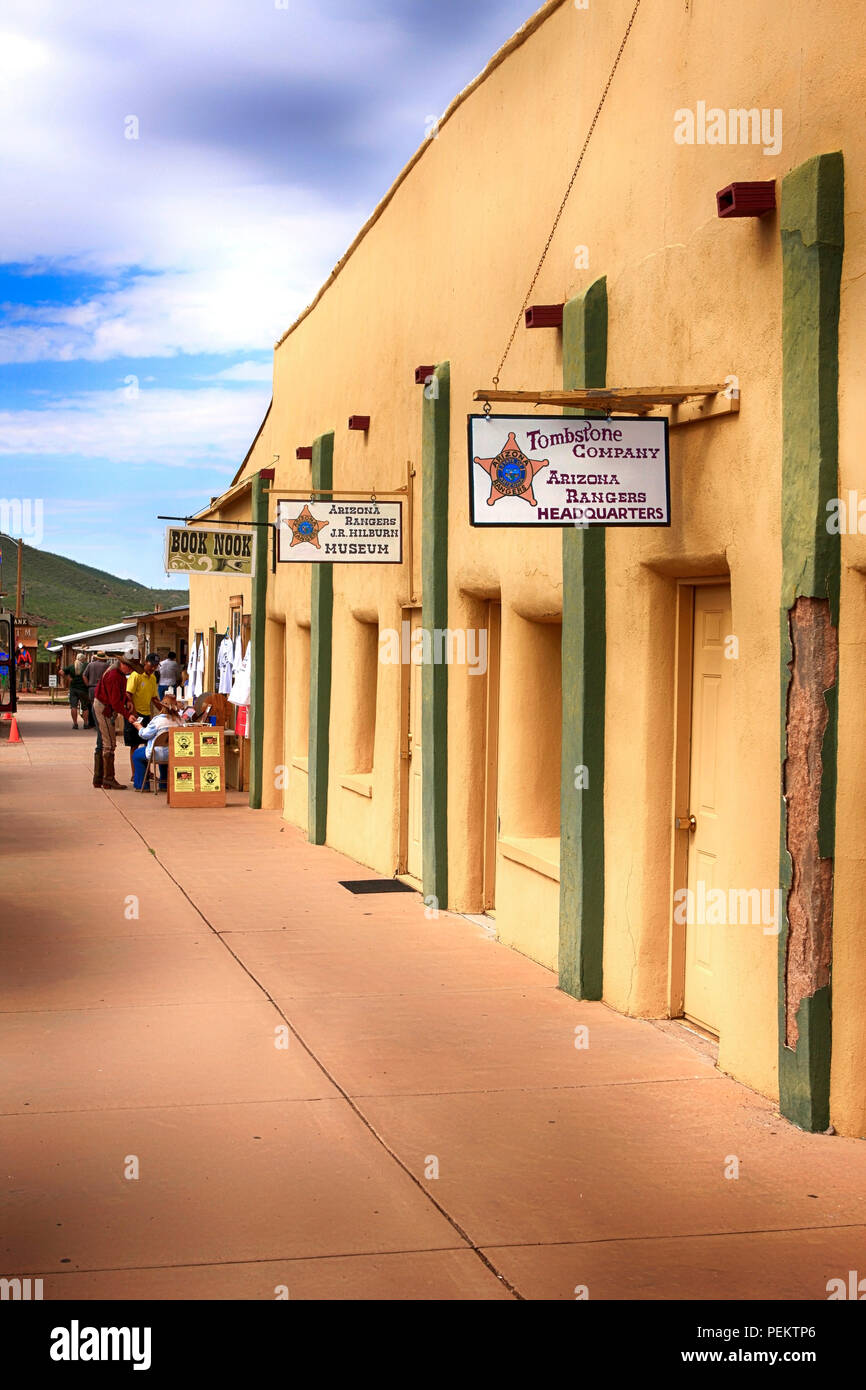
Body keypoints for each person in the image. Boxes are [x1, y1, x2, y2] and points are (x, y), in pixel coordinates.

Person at [91, 655, 140, 790]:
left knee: (102, 743)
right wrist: (128, 715)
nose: (131, 670)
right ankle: (108, 779)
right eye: (130, 667)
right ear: (123, 664)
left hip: (104, 706)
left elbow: (120, 694)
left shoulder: (119, 674)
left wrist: (127, 701)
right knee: (109, 744)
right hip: (104, 707)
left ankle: (99, 778)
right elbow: (115, 702)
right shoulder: (114, 675)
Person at [130, 694, 183, 791]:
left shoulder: (158, 721)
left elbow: (145, 734)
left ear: (163, 706)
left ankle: (142, 785)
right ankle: (164, 784)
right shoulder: (180, 721)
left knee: (137, 754)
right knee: (165, 750)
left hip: (156, 754)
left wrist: (139, 727)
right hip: (173, 753)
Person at [123, 653, 160, 781]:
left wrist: (164, 711)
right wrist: (133, 711)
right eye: (151, 665)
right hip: (135, 715)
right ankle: (135, 774)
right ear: (145, 662)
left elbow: (154, 698)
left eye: (156, 666)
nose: (153, 668)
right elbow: (128, 694)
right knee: (134, 745)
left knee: (147, 744)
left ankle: (147, 772)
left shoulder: (153, 678)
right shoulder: (136, 675)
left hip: (146, 715)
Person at [83, 650, 109, 729]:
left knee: (93, 706)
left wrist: (88, 684)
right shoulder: (107, 665)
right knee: (102, 706)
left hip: (92, 688)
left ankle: (94, 723)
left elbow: (84, 675)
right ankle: (101, 723)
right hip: (102, 688)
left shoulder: (90, 665)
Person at [63, 655, 90, 730]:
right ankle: (85, 724)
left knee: (73, 706)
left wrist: (68, 678)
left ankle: (75, 724)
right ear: (83, 659)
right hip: (83, 689)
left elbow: (61, 672)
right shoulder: (86, 666)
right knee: (85, 707)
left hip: (73, 689)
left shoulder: (72, 667)